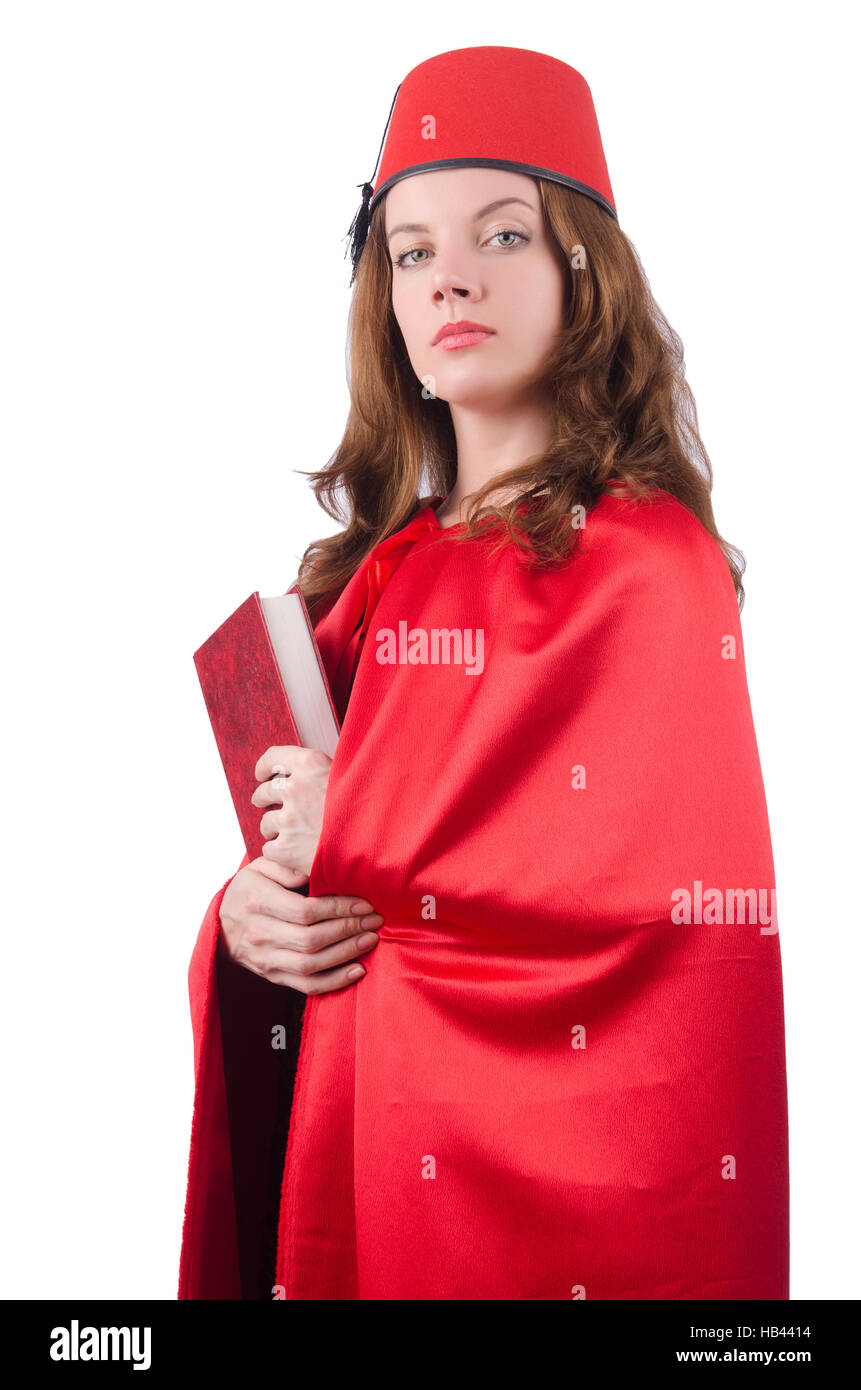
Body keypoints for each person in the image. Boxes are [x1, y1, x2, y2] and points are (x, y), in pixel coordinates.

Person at [178, 45, 789, 1301]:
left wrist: (367, 826)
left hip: (541, 1216)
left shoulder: (653, 568)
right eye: (410, 252)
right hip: (352, 1157)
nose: (449, 273)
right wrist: (246, 929)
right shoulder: (355, 585)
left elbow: (662, 911)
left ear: (583, 271)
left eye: (501, 235)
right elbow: (305, 887)